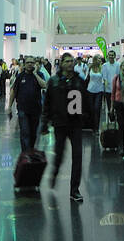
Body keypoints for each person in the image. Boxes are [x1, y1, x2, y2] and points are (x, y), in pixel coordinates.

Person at [38, 53, 87, 201]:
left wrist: (89, 121)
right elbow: (47, 104)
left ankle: (74, 189)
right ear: (61, 63)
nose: (70, 63)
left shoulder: (79, 80)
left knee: (78, 156)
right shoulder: (54, 81)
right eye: (67, 61)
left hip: (76, 123)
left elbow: (85, 101)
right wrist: (45, 122)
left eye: (72, 61)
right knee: (59, 155)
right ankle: (54, 175)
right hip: (60, 123)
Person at [9, 57, 46, 152]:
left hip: (35, 110)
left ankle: (30, 151)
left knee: (33, 134)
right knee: (25, 133)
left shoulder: (39, 75)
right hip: (22, 109)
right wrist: (9, 107)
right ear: (24, 64)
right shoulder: (20, 76)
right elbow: (13, 92)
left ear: (35, 64)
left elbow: (44, 85)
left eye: (32, 62)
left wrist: (35, 74)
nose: (30, 64)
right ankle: (26, 154)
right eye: (28, 62)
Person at [86, 52, 107, 128]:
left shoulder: (102, 68)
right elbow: (86, 78)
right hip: (90, 90)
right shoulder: (90, 67)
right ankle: (92, 126)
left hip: (99, 90)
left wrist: (106, 88)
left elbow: (105, 79)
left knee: (97, 109)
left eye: (100, 58)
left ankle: (96, 128)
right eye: (98, 58)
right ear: (94, 59)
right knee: (91, 109)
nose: (100, 60)